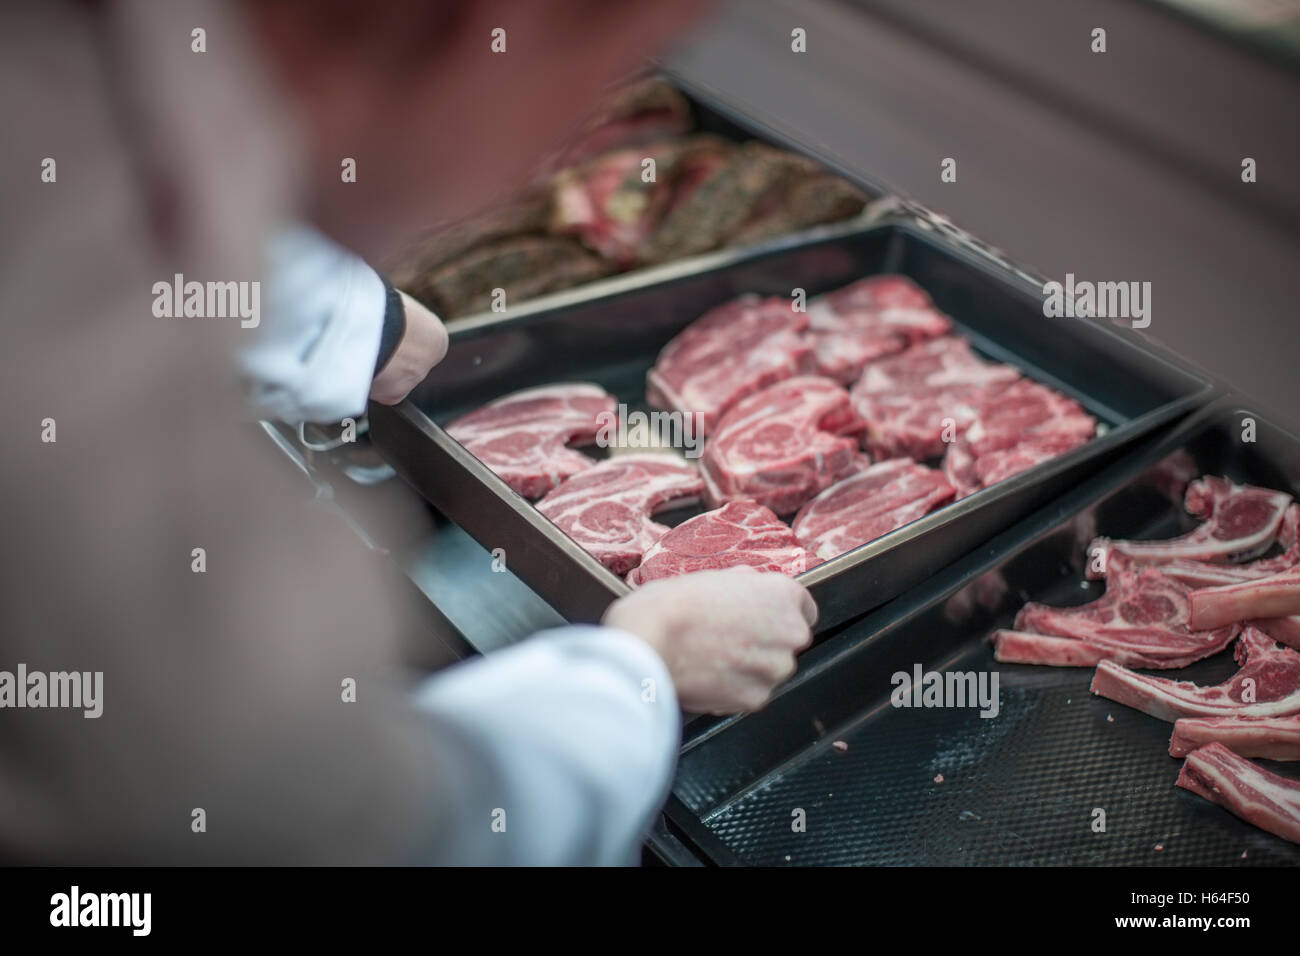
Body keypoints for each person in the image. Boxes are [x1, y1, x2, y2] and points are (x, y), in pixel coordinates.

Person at [0, 0, 815, 864]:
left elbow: (163, 199)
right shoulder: (91, 477)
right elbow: (350, 835)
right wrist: (643, 671)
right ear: (487, 29)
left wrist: (349, 323)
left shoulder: (70, 78)